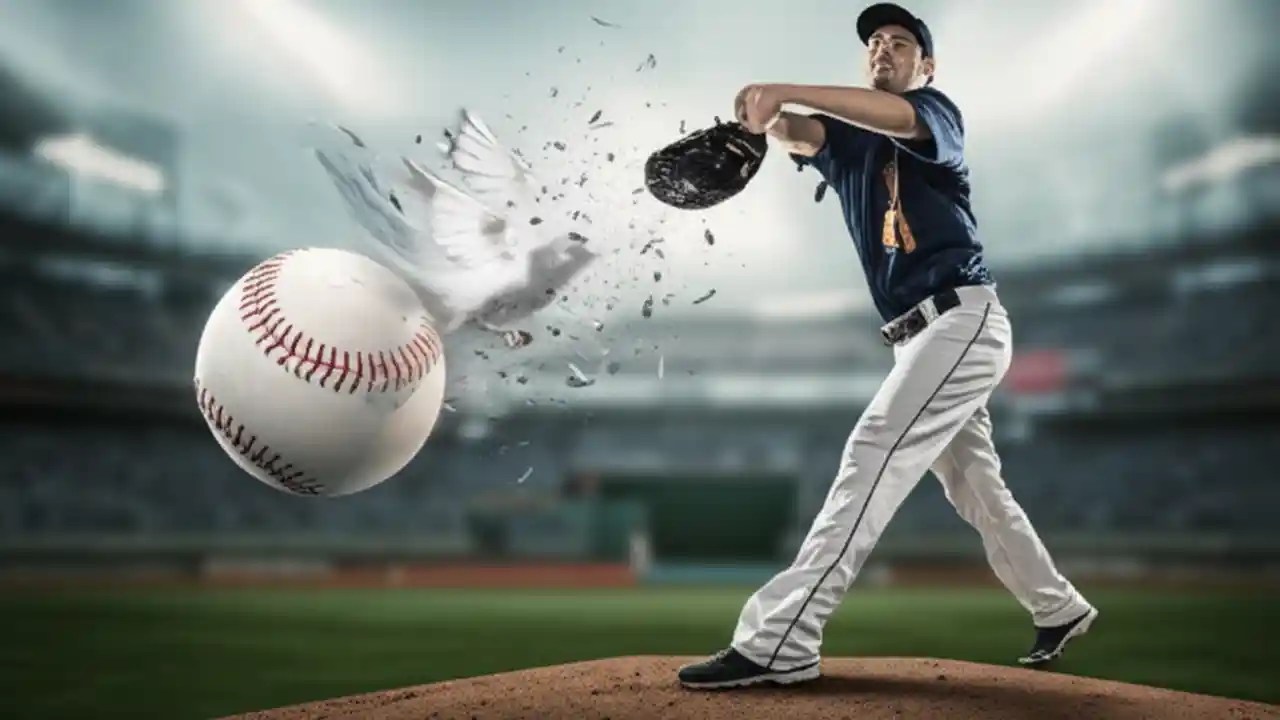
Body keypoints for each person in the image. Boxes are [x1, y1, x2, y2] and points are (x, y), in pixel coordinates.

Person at [677, 2, 1098, 690]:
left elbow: (893, 118)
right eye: (875, 40)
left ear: (924, 66)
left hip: (963, 321)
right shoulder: (847, 141)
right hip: (917, 337)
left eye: (901, 42)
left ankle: (783, 636)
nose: (884, 48)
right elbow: (801, 133)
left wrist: (786, 87)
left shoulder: (935, 114)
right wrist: (757, 118)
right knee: (976, 487)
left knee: (874, 448)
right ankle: (1058, 606)